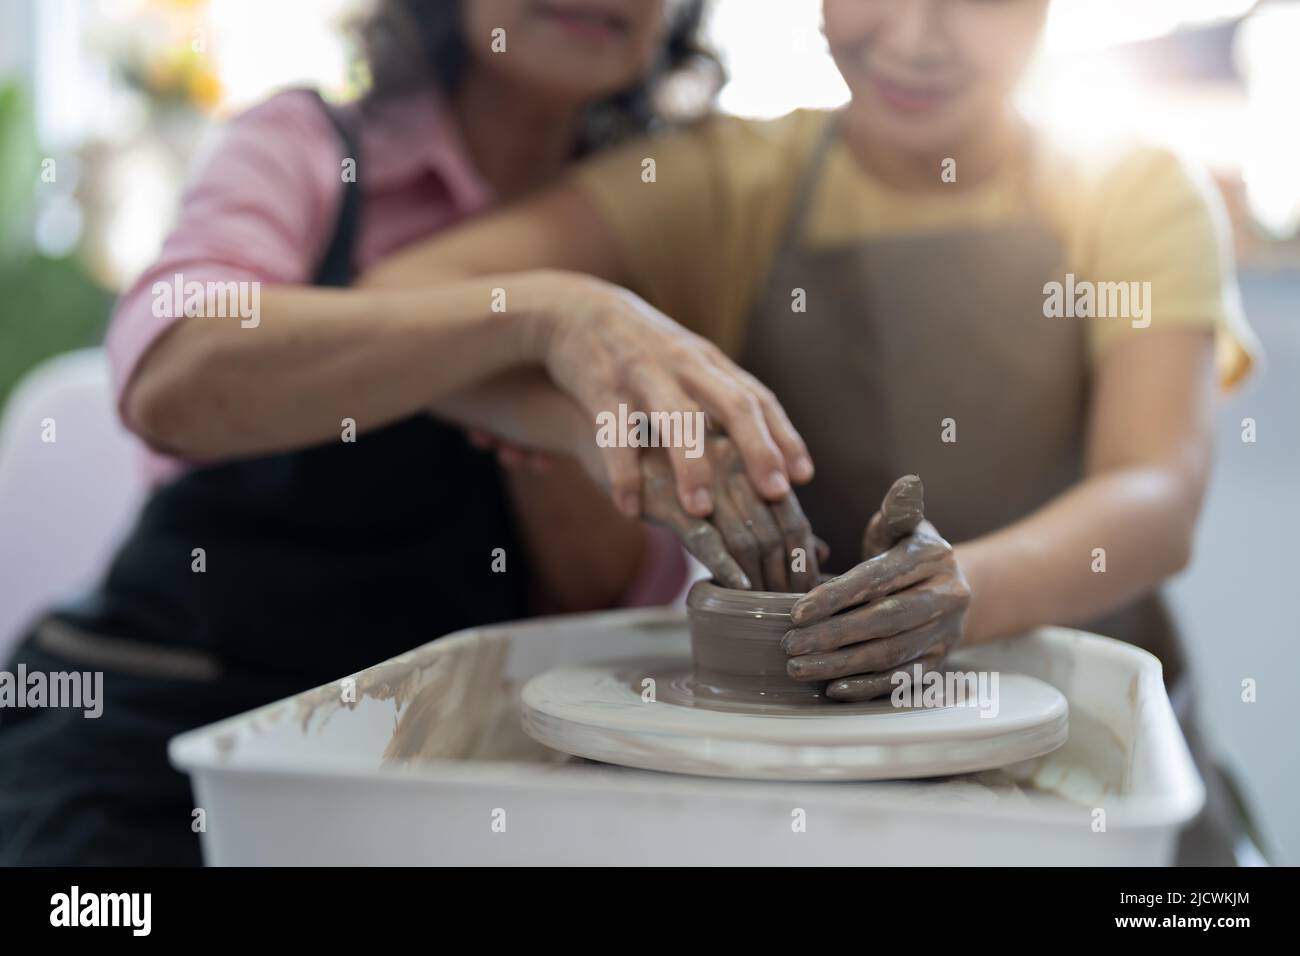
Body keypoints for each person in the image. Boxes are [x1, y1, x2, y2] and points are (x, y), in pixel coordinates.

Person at [357, 0, 1262, 863]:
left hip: (1090, 762)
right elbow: (395, 306)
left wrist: (965, 590)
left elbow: (1156, 492)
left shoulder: (1131, 189)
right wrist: (575, 377)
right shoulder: (734, 178)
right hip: (815, 789)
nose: (916, 37)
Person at [0, 0, 816, 866]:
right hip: (152, 735)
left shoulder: (661, 217)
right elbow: (173, 373)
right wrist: (540, 313)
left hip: (418, 781)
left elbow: (589, 594)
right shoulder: (308, 146)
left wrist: (550, 413)